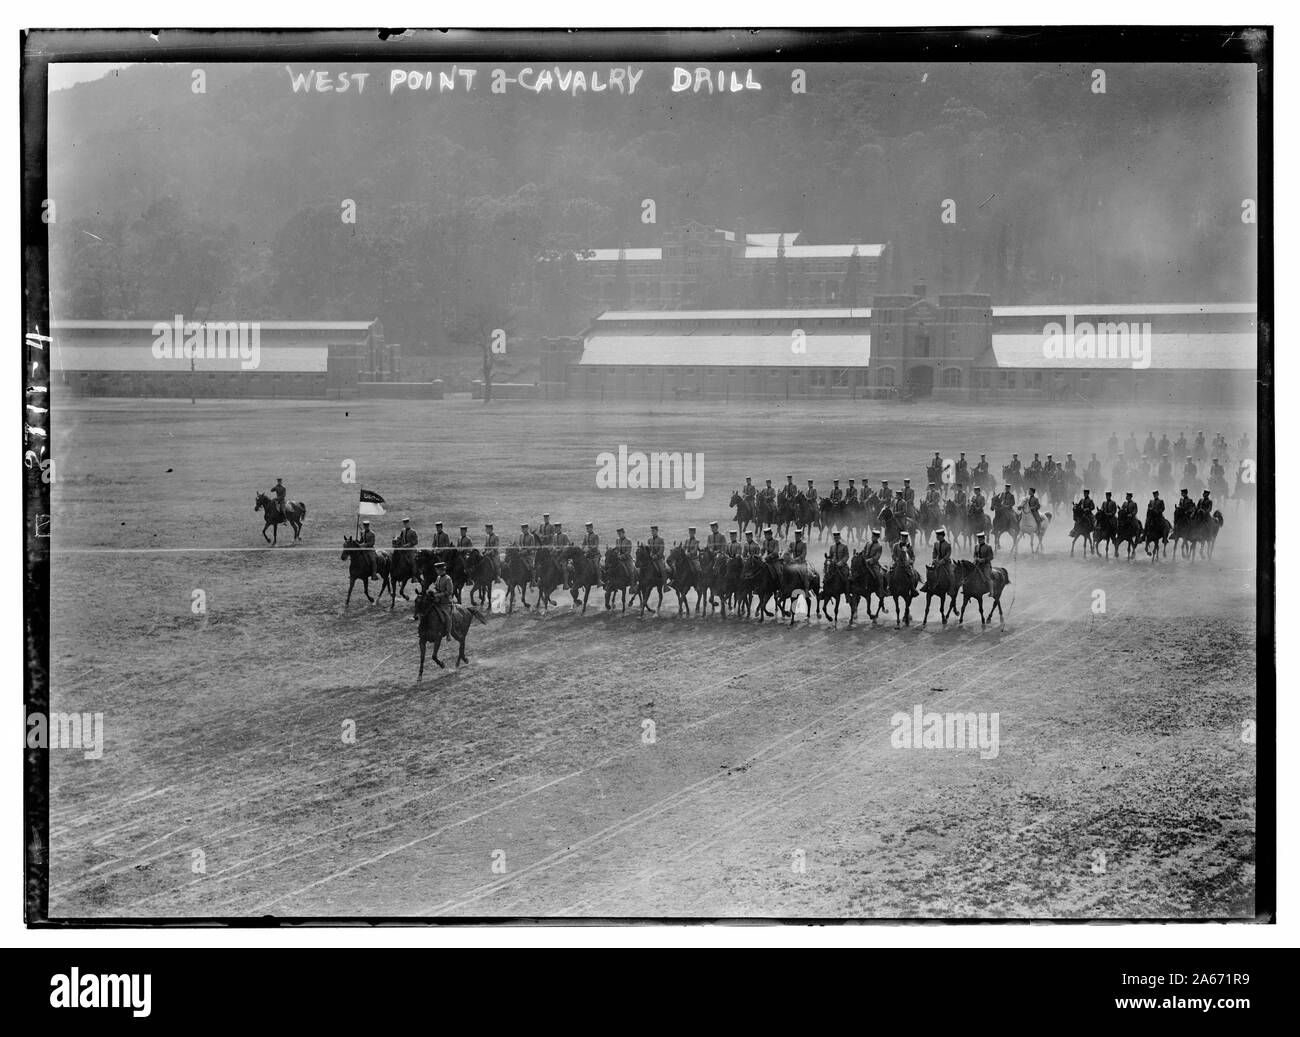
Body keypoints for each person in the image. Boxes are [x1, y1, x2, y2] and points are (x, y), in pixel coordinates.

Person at [428, 560, 455, 635]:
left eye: (437, 570)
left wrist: (438, 595)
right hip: (437, 600)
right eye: (436, 570)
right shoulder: (438, 577)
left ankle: (448, 633)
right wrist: (433, 591)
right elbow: (435, 587)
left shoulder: (448, 579)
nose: (436, 571)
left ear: (441, 570)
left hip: (446, 602)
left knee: (447, 616)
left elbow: (450, 592)